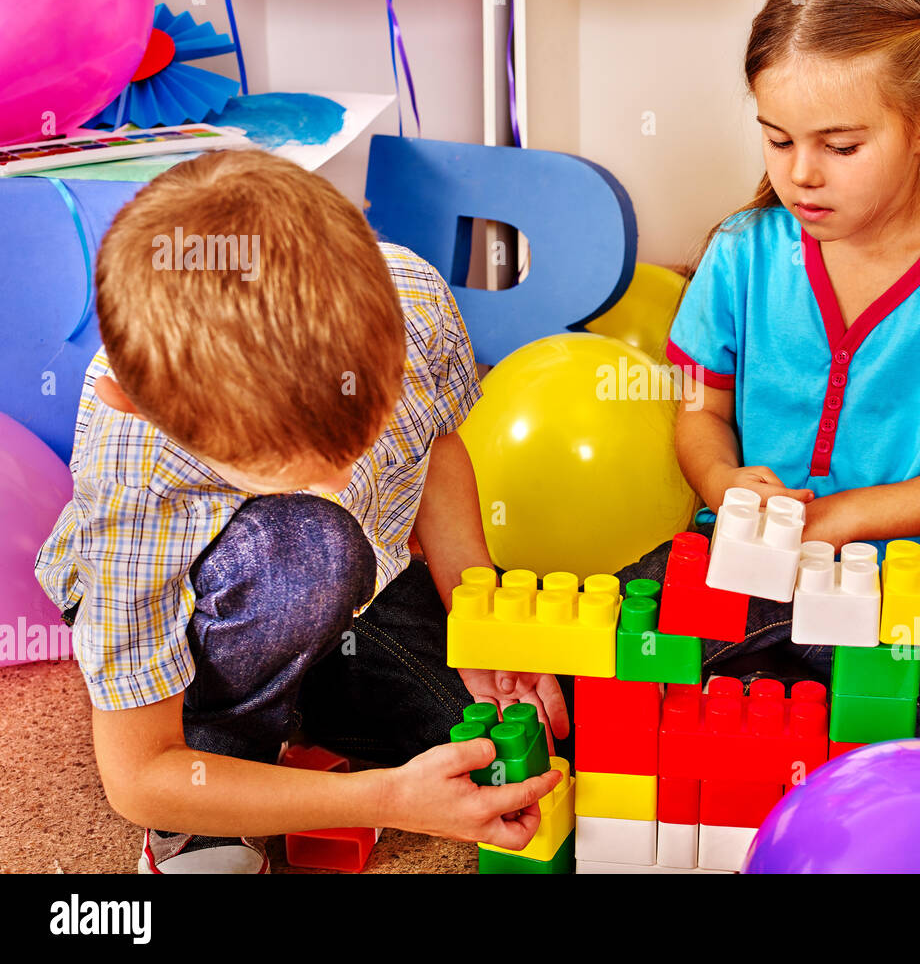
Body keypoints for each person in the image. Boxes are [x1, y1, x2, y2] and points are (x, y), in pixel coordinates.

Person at [35, 150, 564, 873]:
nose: (349, 476)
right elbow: (139, 776)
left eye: (364, 432)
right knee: (311, 547)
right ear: (137, 400)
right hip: (241, 596)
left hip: (359, 586)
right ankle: (224, 745)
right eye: (300, 465)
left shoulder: (407, 292)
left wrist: (478, 613)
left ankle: (300, 710)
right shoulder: (133, 463)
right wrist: (384, 799)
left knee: (501, 747)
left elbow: (435, 449)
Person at [615, 0, 920, 773]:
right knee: (603, 672)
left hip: (905, 596)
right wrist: (721, 482)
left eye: (840, 147)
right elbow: (700, 410)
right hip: (746, 566)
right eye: (777, 141)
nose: (801, 175)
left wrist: (849, 515)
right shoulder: (742, 252)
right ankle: (794, 707)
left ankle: (814, 717)